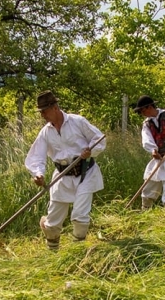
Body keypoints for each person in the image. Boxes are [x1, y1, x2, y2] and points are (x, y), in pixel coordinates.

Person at [25, 90, 106, 250]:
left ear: (55, 108)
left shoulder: (78, 121)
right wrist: (38, 174)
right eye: (40, 112)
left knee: (79, 216)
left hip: (85, 173)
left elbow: (99, 139)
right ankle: (52, 254)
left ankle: (77, 254)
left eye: (44, 111)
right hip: (61, 176)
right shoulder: (45, 132)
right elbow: (36, 157)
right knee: (52, 222)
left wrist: (90, 150)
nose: (42, 115)